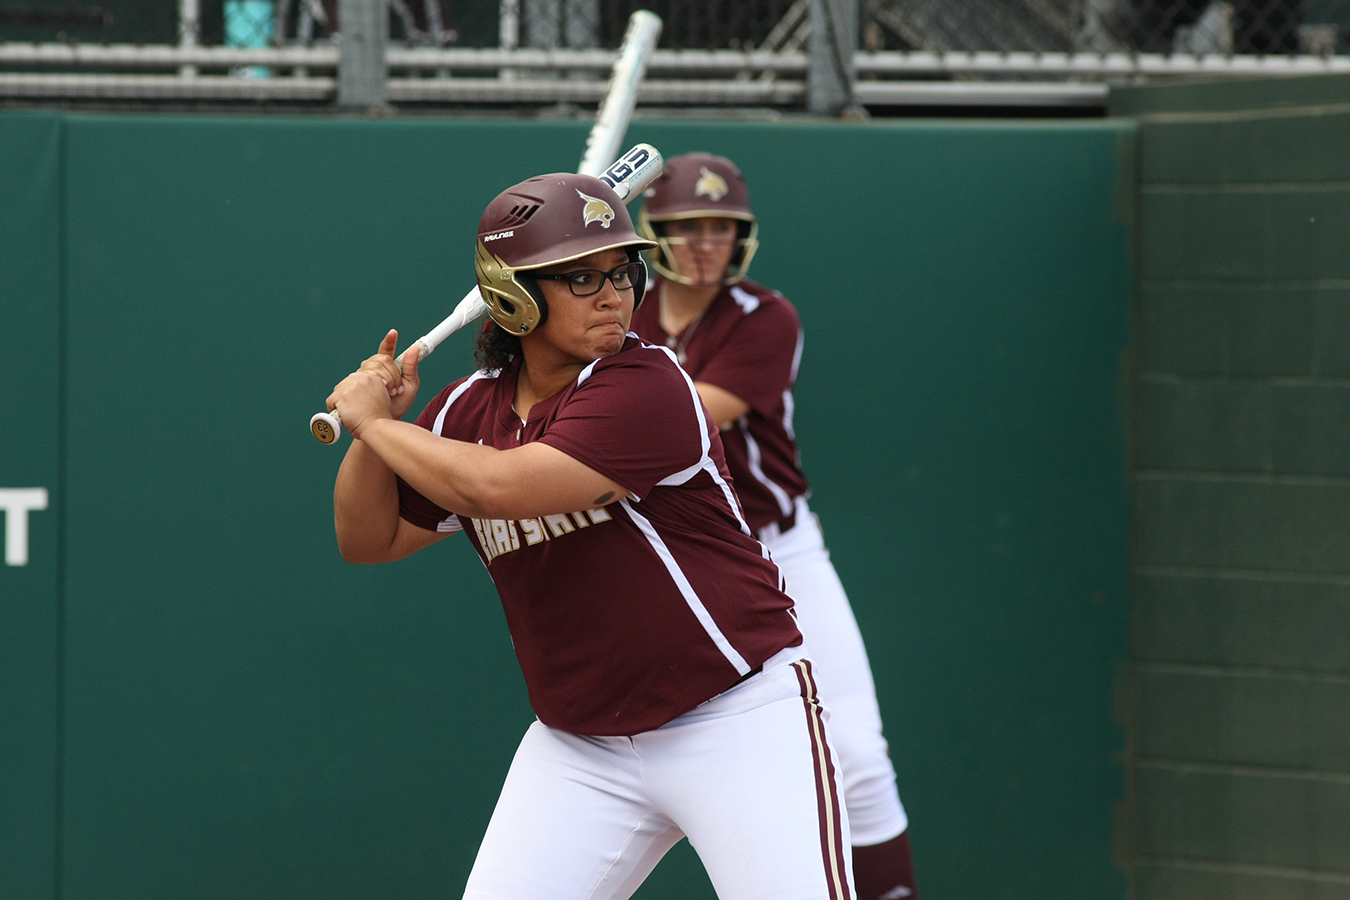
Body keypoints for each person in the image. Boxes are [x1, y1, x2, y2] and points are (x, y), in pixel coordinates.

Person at [324, 170, 856, 900]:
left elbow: (498, 488)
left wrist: (375, 424)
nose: (614, 294)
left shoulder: (648, 384)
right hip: (580, 746)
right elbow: (368, 539)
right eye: (581, 277)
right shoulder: (463, 411)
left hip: (733, 716)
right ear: (513, 295)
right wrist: (374, 432)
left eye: (623, 271)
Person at [631, 153, 919, 900]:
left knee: (855, 753)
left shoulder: (764, 318)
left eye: (722, 227)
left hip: (778, 549)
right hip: (669, 564)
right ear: (652, 232)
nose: (706, 243)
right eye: (688, 226)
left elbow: (684, 420)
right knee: (649, 767)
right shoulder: (616, 316)